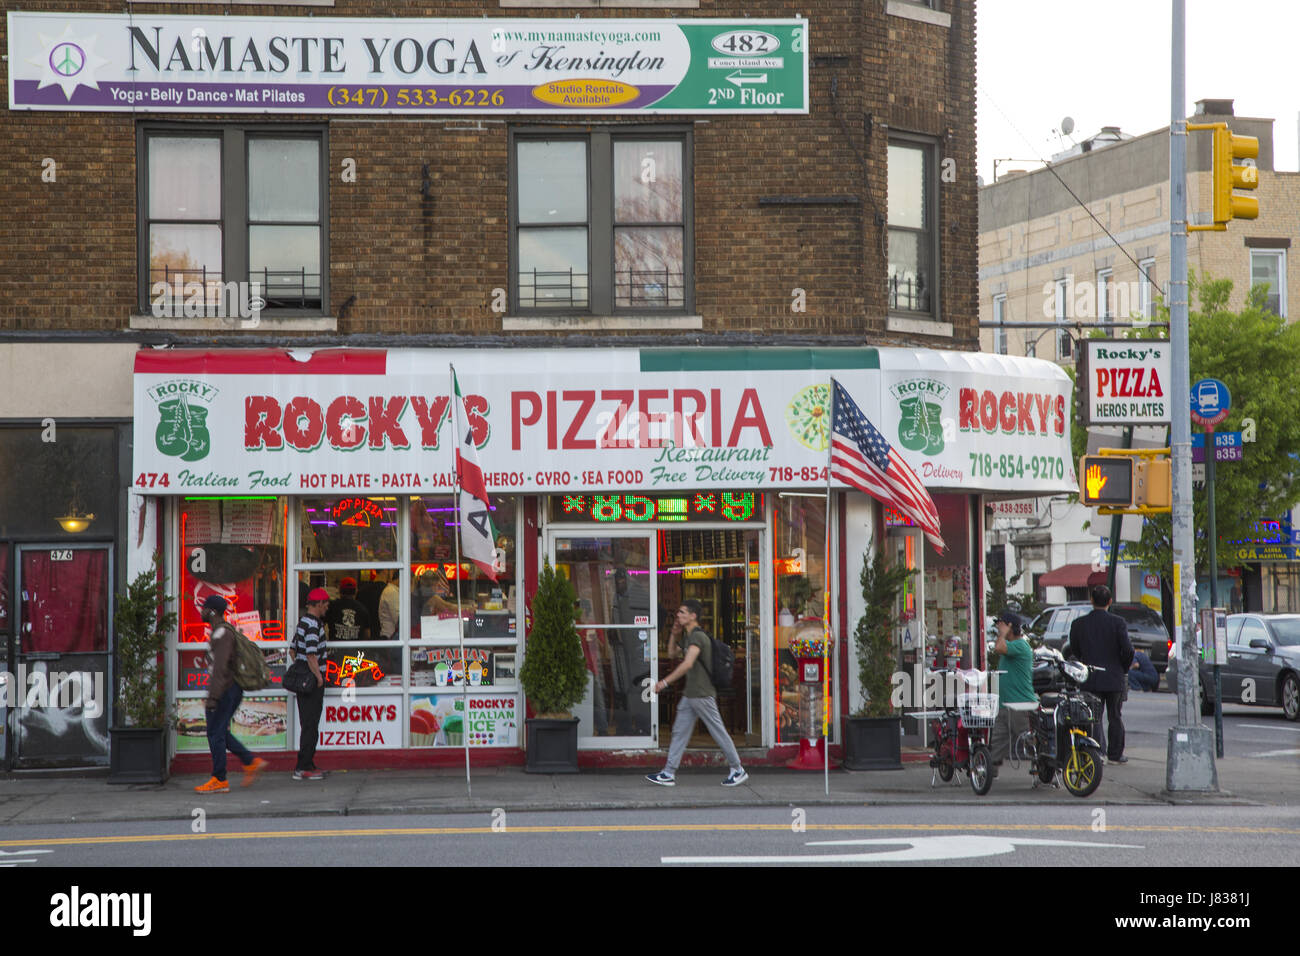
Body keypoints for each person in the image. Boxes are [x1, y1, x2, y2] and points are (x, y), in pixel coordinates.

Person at [646, 599, 748, 788]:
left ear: (693, 616)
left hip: (701, 693)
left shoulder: (698, 637)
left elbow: (688, 663)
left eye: (683, 612)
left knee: (717, 731)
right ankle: (668, 772)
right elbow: (671, 654)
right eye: (679, 612)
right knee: (679, 732)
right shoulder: (688, 636)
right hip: (691, 694)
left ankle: (737, 768)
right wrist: (673, 634)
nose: (678, 615)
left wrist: (664, 682)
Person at [195, 595, 267, 793]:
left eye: (204, 608)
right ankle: (250, 761)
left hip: (226, 689)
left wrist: (213, 697)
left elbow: (220, 668)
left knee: (215, 733)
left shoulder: (222, 634)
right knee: (219, 732)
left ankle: (220, 779)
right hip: (229, 688)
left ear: (212, 611)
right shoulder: (221, 632)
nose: (201, 611)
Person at [1066, 584, 1134, 764]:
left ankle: (1097, 751)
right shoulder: (1118, 623)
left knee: (1092, 716)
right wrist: (1122, 667)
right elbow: (1128, 650)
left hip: (1090, 676)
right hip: (1114, 676)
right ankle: (1115, 754)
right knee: (1115, 716)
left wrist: (1084, 663)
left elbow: (1074, 649)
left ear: (1091, 601)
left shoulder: (1079, 624)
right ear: (1110, 602)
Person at [988, 608, 1037, 775]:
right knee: (997, 742)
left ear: (1010, 627)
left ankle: (1043, 770)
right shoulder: (1011, 646)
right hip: (1005, 705)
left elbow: (999, 648)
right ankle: (988, 772)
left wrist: (1002, 633)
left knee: (1030, 742)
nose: (998, 629)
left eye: (1001, 625)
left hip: (1020, 705)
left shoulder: (1020, 645)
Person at [292, 587, 330, 781]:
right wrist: (319, 677)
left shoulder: (302, 623)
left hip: (302, 680)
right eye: (326, 604)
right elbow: (311, 654)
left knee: (307, 723)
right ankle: (303, 767)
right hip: (311, 681)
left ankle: (308, 763)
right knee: (310, 725)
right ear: (319, 604)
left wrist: (299, 669)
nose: (327, 607)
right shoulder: (314, 625)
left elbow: (293, 650)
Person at [326, 576, 372, 642]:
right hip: (355, 650)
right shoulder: (363, 609)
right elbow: (367, 635)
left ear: (340, 590)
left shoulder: (331, 607)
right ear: (356, 591)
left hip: (336, 650)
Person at [378, 570, 401, 639]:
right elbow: (398, 619)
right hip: (390, 636)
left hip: (391, 635)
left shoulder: (394, 591)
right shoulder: (391, 592)